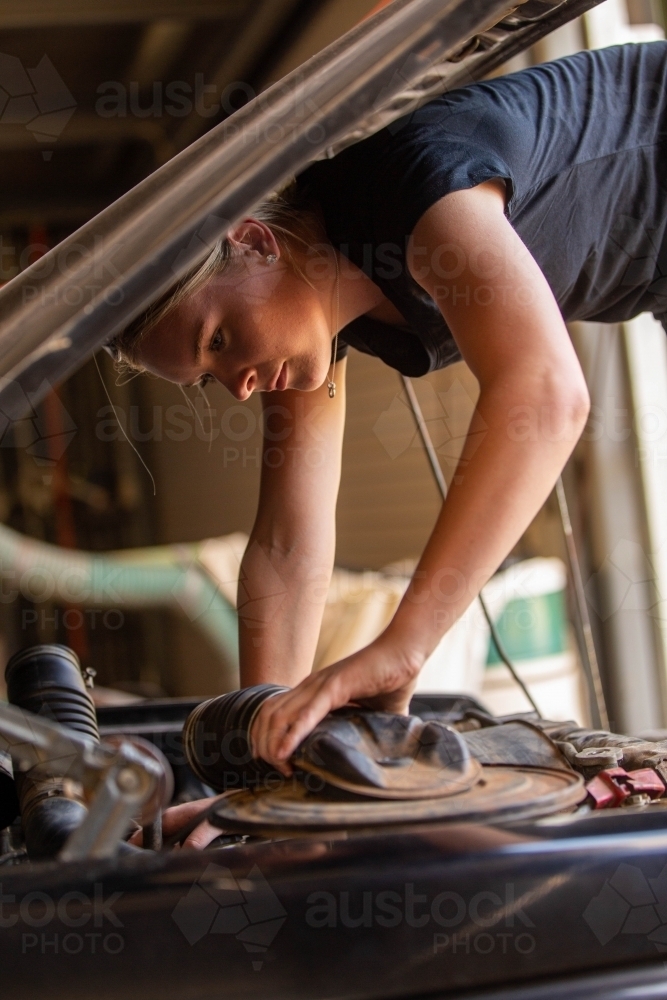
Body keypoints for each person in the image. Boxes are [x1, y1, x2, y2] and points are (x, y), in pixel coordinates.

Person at [113, 41, 667, 846]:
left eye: (220, 339)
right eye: (205, 380)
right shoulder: (314, 322)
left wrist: (404, 647)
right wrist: (262, 782)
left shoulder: (409, 182)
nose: (233, 384)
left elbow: (544, 393)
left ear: (255, 242)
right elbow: (286, 543)